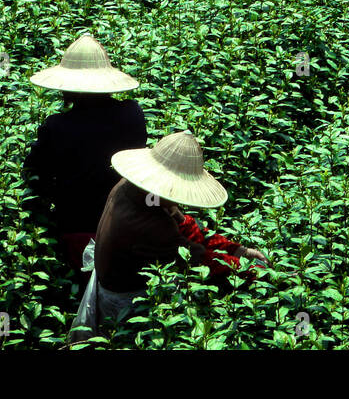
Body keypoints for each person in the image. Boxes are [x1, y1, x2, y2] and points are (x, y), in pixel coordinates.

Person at [70, 130, 267, 340]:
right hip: (126, 302)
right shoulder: (152, 227)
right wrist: (251, 270)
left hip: (113, 279)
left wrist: (237, 249)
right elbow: (199, 258)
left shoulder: (133, 188)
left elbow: (184, 224)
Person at [23, 34, 148, 272]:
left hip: (77, 229)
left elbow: (35, 175)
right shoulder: (133, 113)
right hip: (127, 222)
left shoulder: (57, 126)